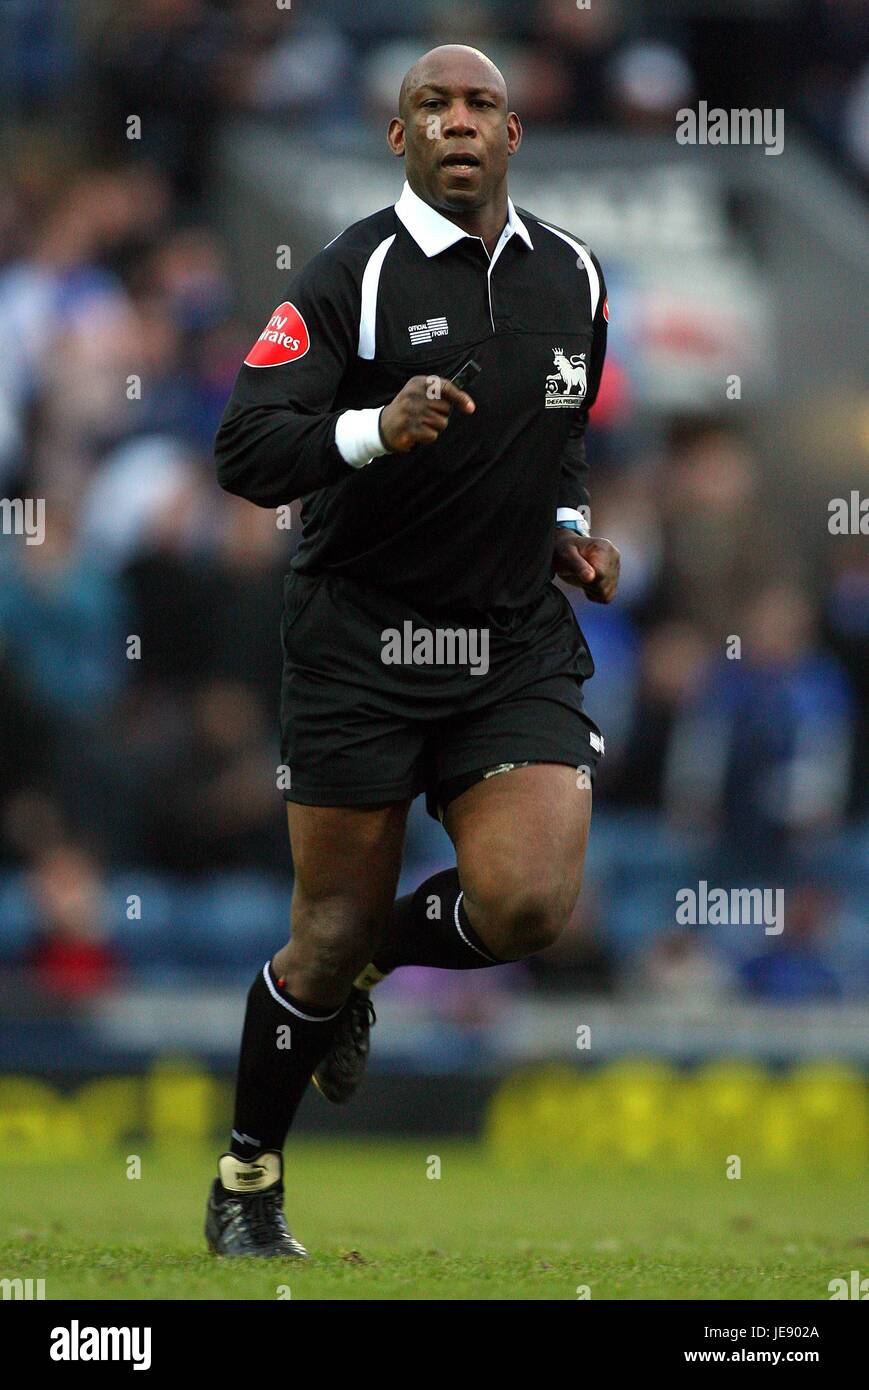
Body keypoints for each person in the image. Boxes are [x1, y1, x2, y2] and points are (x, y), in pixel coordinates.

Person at [206, 43, 619, 1258]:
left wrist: (566, 532)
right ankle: (246, 1184)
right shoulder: (349, 276)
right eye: (430, 106)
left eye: (479, 104)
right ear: (398, 138)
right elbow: (244, 448)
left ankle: (356, 973)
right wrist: (374, 429)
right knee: (321, 934)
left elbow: (560, 437)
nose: (456, 122)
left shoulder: (577, 275)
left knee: (530, 904)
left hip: (507, 641)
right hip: (360, 641)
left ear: (510, 135)